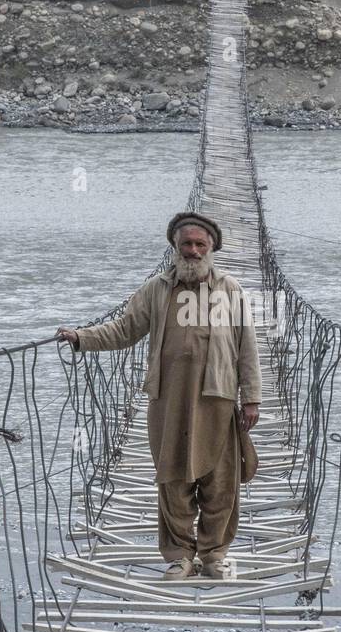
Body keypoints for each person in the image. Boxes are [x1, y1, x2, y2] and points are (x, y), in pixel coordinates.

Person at [57, 210, 261, 580]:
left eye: (201, 244)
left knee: (220, 480)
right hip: (168, 401)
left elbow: (247, 347)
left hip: (217, 399)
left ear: (212, 248)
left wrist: (252, 398)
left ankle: (214, 555)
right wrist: (81, 338)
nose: (194, 251)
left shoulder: (230, 289)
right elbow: (124, 329)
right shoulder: (156, 289)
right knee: (173, 478)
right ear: (175, 247)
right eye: (187, 244)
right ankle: (180, 555)